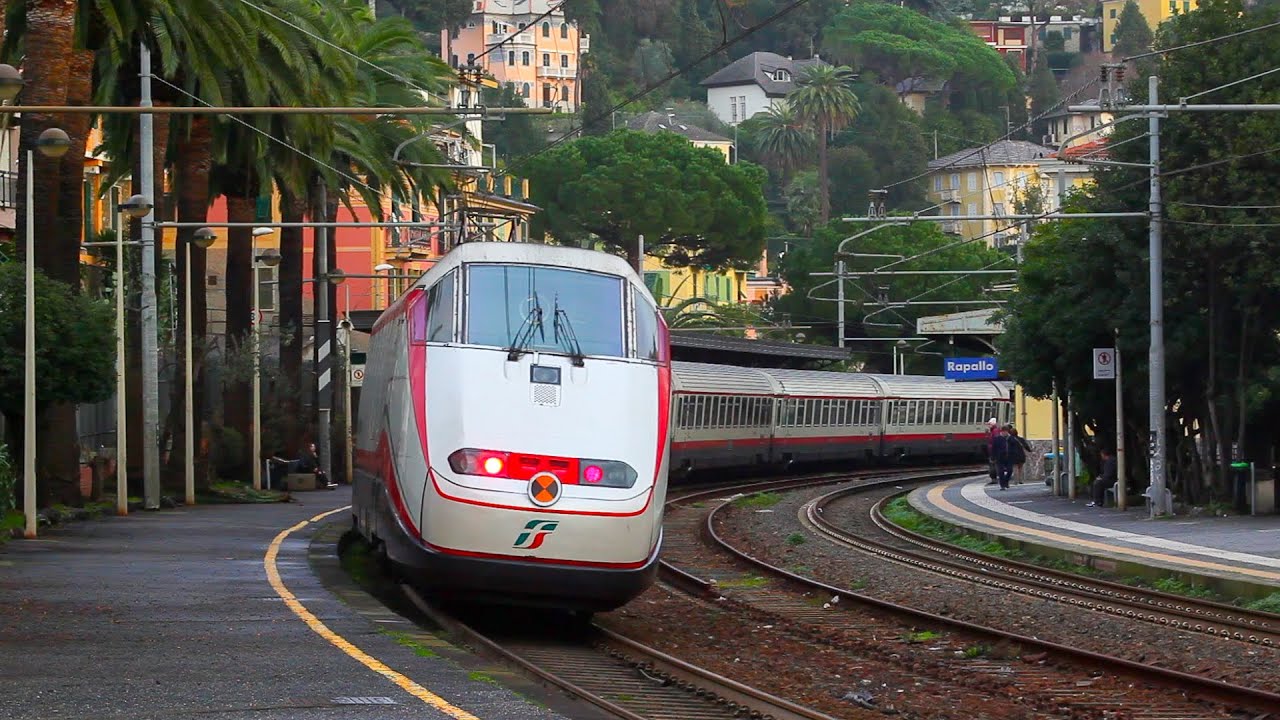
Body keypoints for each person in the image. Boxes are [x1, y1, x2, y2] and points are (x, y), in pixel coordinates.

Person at [991, 425, 1014, 490]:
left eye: (1006, 432)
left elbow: (1014, 446)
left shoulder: (1011, 438)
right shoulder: (997, 438)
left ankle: (1006, 481)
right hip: (1000, 457)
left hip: (1009, 457)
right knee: (1001, 472)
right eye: (1004, 432)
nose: (1005, 433)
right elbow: (994, 448)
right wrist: (993, 457)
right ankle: (1002, 485)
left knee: (1010, 470)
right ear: (1002, 432)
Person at [985, 418, 1000, 485]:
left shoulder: (995, 431)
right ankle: (994, 478)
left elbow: (994, 442)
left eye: (990, 424)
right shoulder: (993, 431)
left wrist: (993, 451)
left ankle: (994, 479)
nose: (989, 425)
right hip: (993, 451)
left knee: (993, 466)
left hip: (994, 452)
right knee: (993, 465)